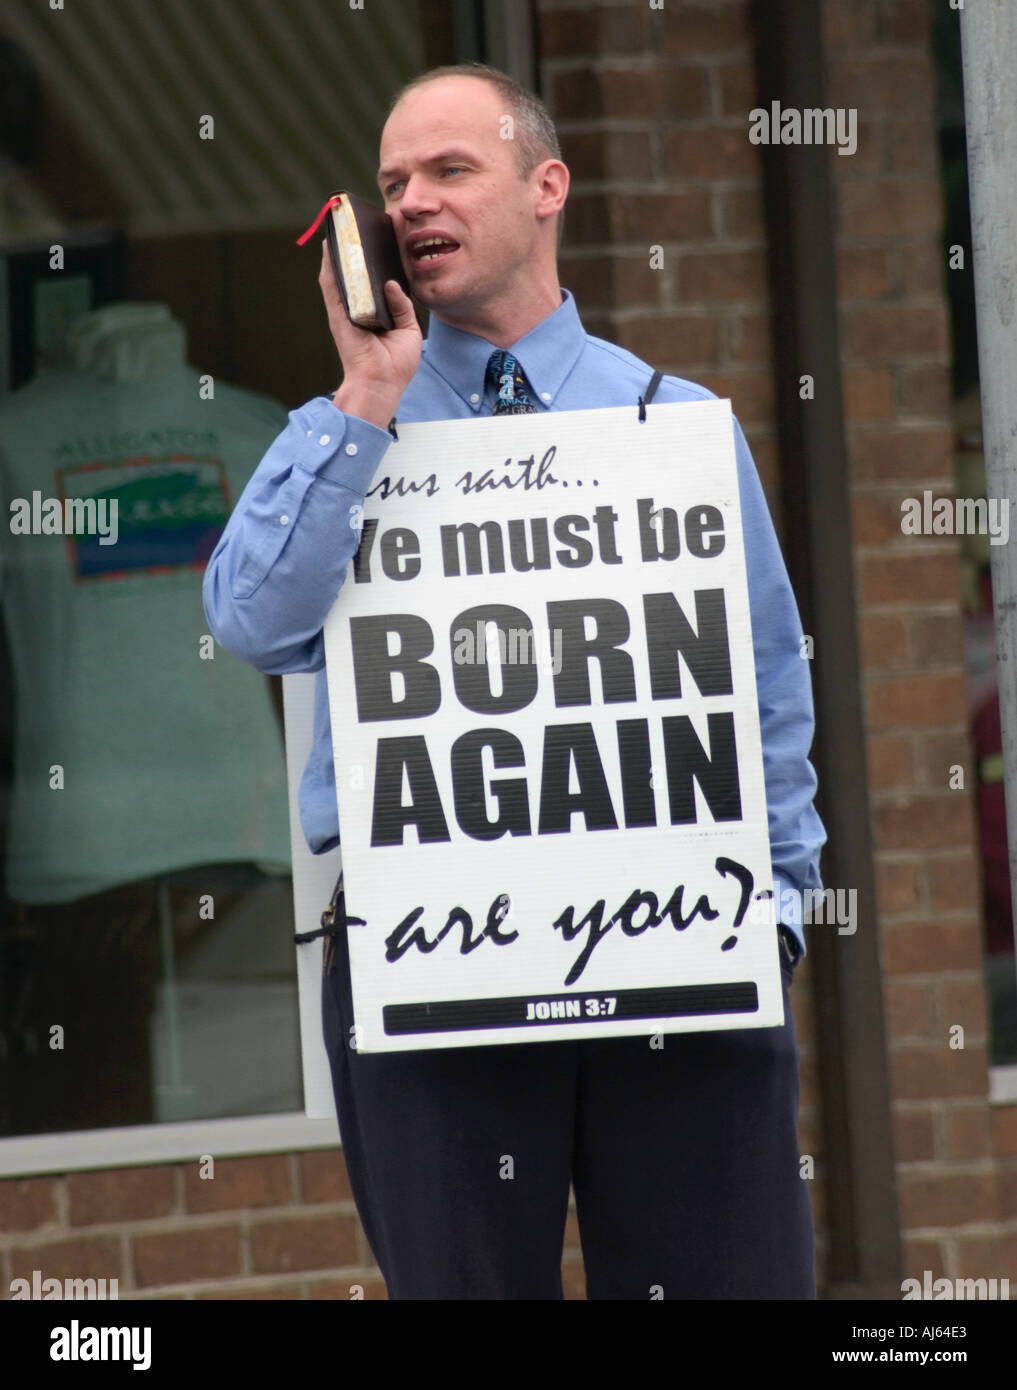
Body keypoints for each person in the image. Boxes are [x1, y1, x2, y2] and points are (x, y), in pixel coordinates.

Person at [203, 62, 826, 1300]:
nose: (413, 201)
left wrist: (786, 902)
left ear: (548, 186)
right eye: (392, 185)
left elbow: (765, 681)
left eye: (448, 170)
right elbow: (250, 623)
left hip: (676, 950)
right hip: (427, 958)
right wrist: (368, 394)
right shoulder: (345, 431)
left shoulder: (677, 425)